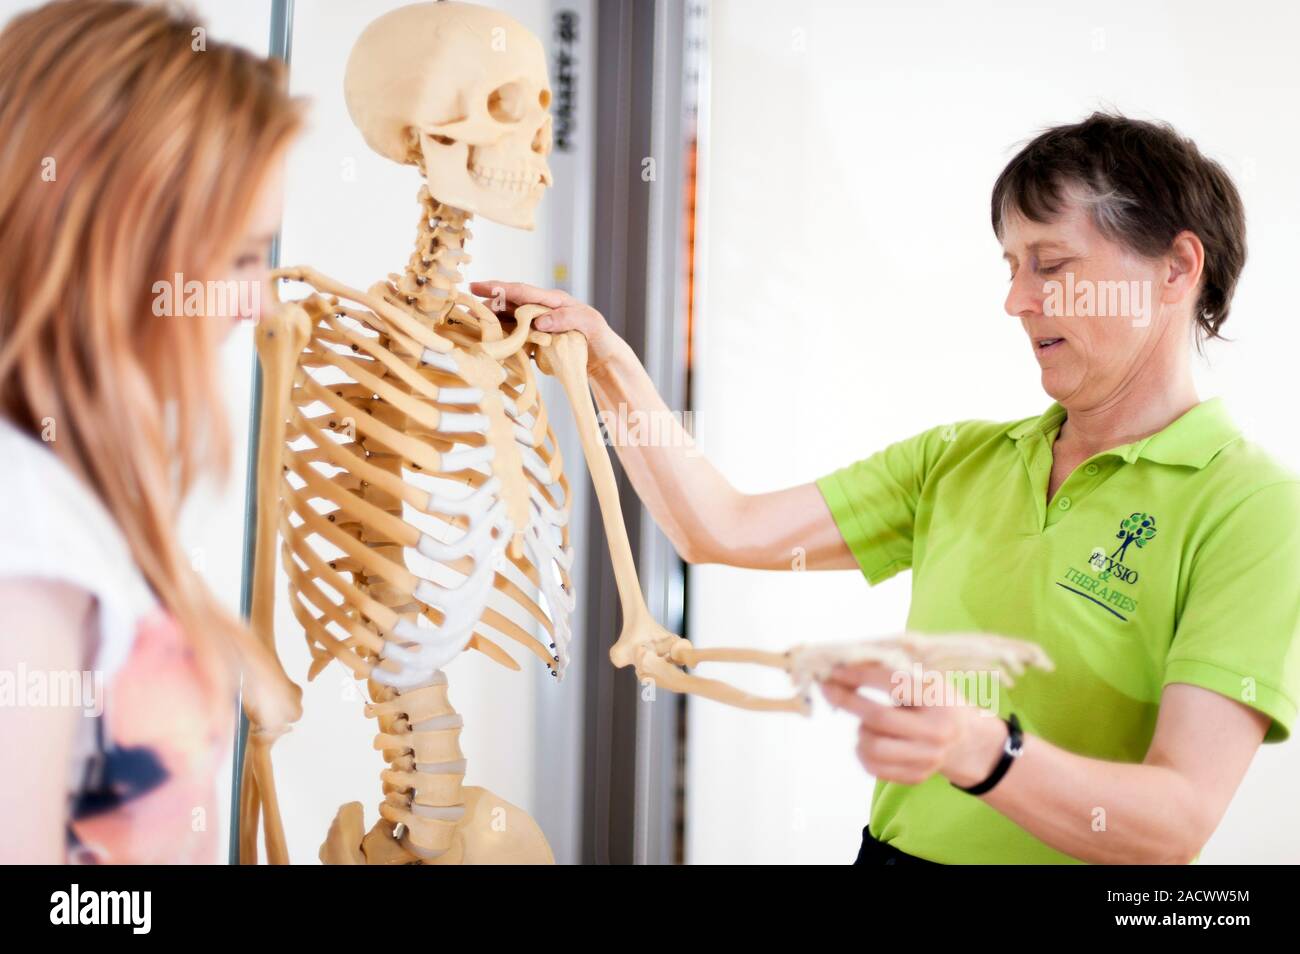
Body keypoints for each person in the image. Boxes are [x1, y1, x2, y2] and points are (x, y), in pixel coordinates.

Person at [473, 112, 1300, 864]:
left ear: (1176, 268)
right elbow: (721, 530)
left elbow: (1178, 821)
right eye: (1012, 266)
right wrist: (609, 362)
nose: (1016, 301)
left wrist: (984, 751)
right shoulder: (959, 460)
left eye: (1050, 264)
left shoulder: (1252, 507)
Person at [0, 0, 302, 863]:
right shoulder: (25, 531)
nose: (262, 303)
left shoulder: (62, 493)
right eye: (243, 256)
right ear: (119, 243)